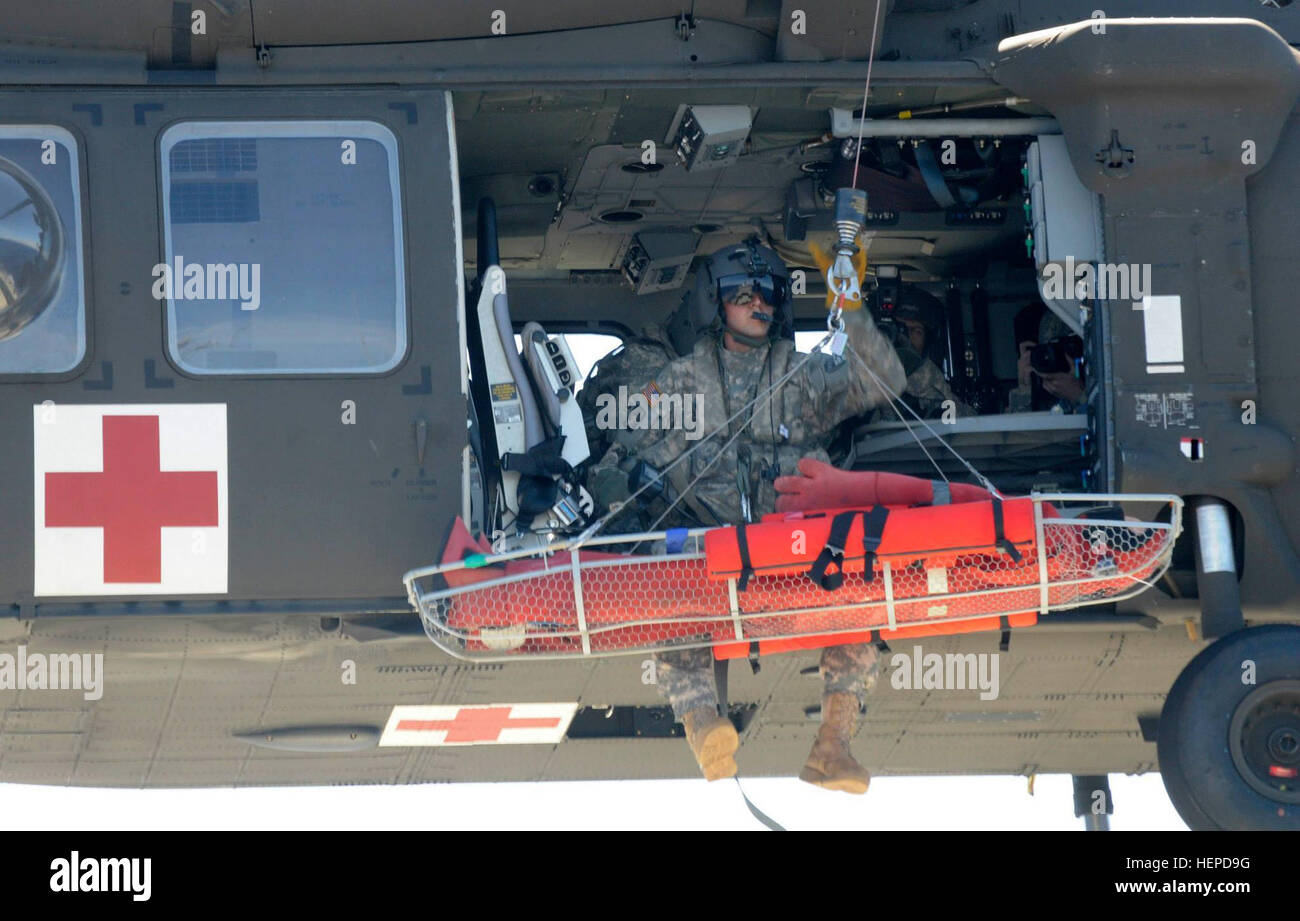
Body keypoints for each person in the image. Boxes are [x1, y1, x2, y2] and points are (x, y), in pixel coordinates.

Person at [587, 238, 907, 792]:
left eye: (768, 294)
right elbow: (626, 438)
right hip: (712, 554)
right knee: (673, 587)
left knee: (860, 598)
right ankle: (703, 729)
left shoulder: (801, 377)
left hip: (795, 553)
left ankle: (834, 744)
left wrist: (849, 302)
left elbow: (883, 378)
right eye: (742, 294)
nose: (759, 304)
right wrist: (630, 482)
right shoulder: (686, 379)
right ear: (715, 304)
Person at [1009, 310, 1086, 412]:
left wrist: (1079, 396)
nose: (1057, 358)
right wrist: (1024, 389)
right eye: (1050, 352)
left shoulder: (1099, 381)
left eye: (1068, 350)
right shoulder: (1045, 399)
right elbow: (1023, 426)